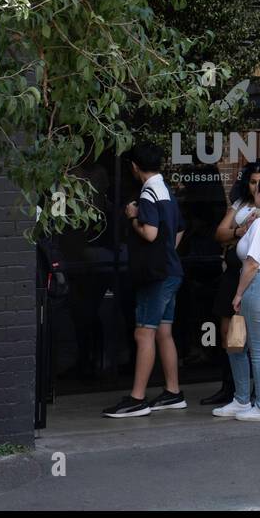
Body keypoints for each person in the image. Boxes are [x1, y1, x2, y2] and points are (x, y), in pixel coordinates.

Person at [103, 144, 187, 418]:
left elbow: (150, 233)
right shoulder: (167, 191)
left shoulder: (148, 193)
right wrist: (168, 252)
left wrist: (132, 218)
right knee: (164, 332)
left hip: (157, 276)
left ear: (135, 167)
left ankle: (137, 398)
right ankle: (173, 392)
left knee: (144, 333)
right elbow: (179, 230)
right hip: (171, 271)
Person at [203, 163, 260, 407]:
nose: (256, 187)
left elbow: (256, 261)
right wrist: (239, 231)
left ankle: (259, 399)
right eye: (252, 182)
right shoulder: (241, 206)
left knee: (256, 346)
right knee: (233, 338)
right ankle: (236, 392)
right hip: (237, 274)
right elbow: (220, 233)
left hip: (254, 278)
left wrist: (239, 293)